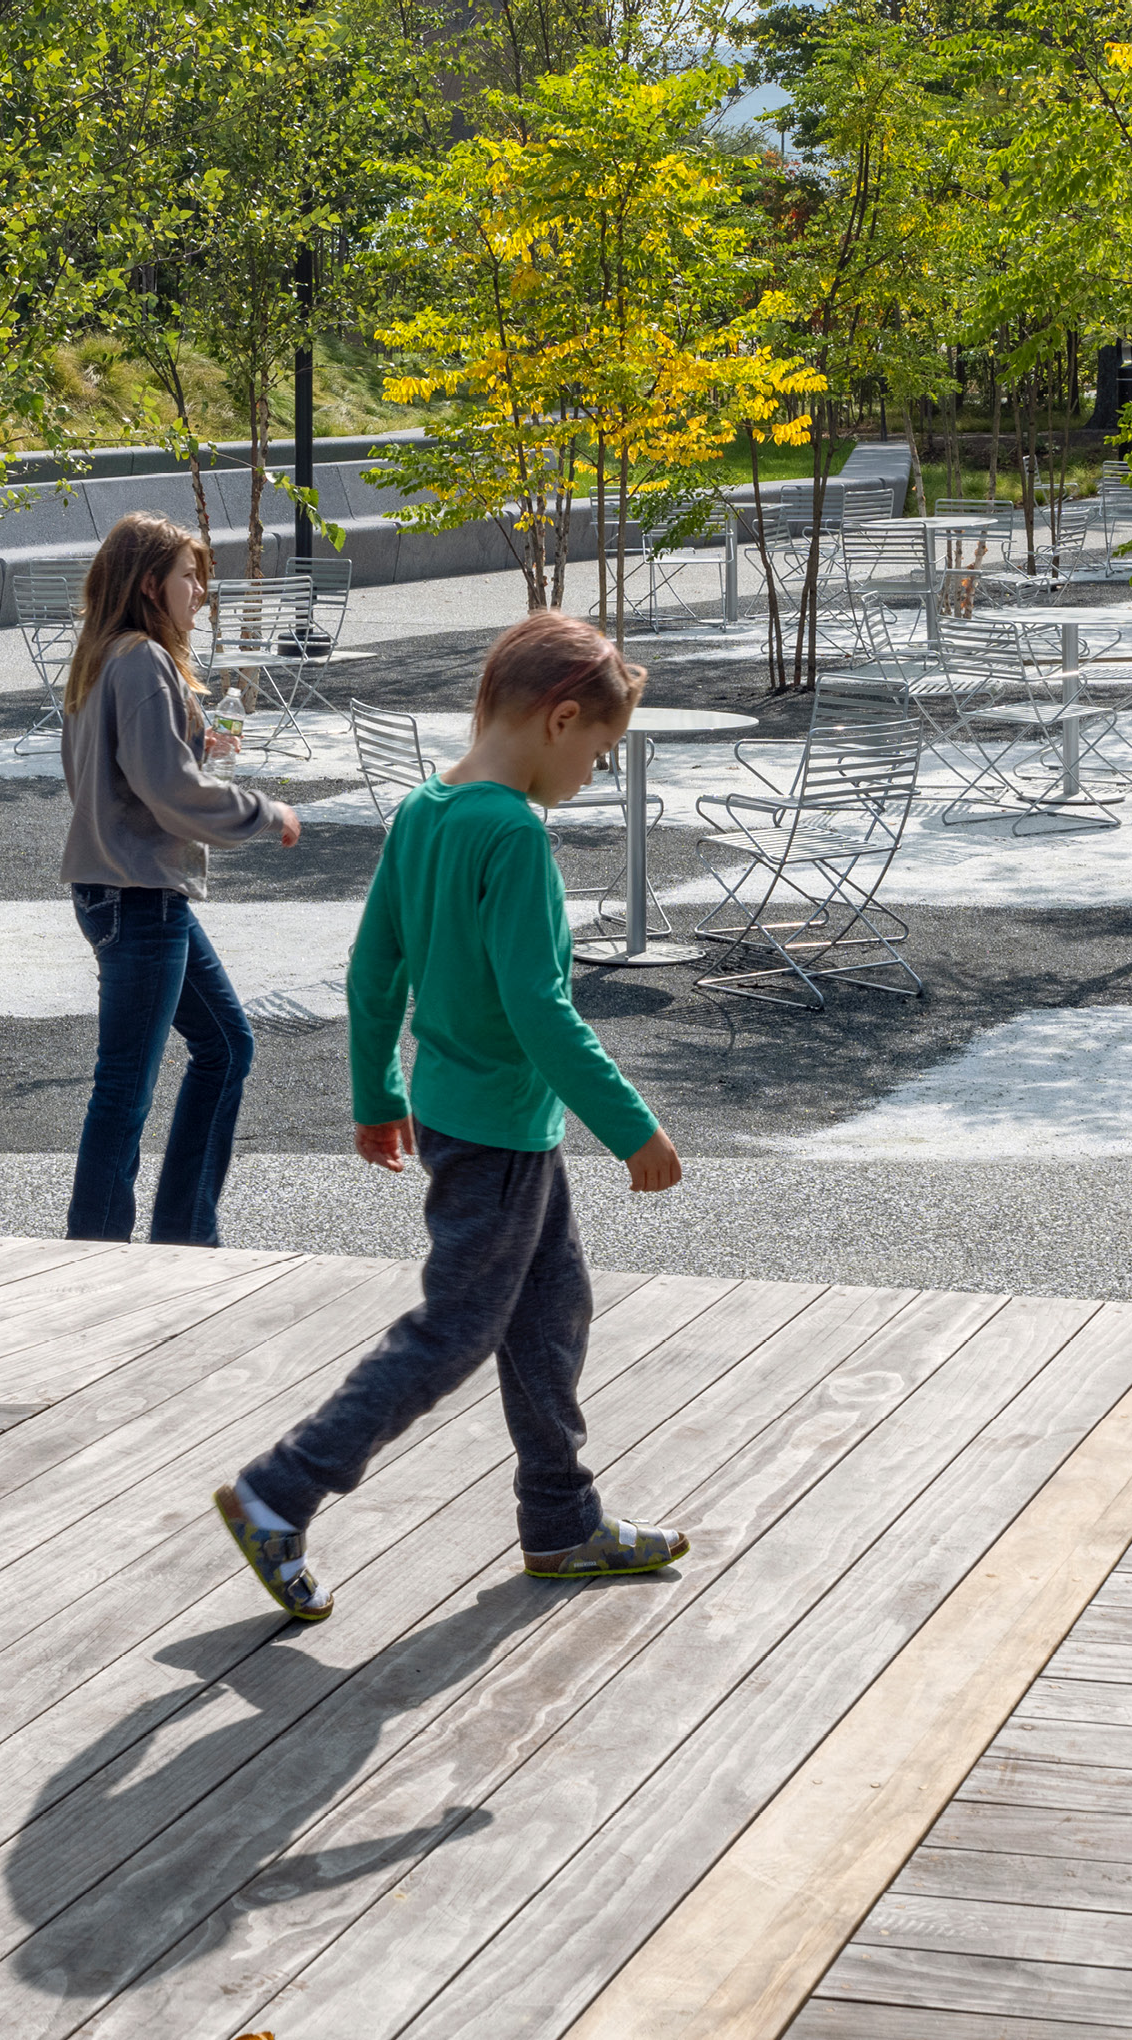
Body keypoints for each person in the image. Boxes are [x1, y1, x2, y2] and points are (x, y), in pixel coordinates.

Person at [214, 610, 691, 1623]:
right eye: (600, 755)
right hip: (502, 1134)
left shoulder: (428, 811)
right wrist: (632, 1126)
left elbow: (373, 966)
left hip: (465, 1118)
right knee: (455, 1330)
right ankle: (282, 1488)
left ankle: (563, 1521)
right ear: (562, 720)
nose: (594, 778)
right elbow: (540, 1005)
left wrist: (376, 1094)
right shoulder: (512, 834)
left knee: (549, 1311)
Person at [58, 513, 301, 1246]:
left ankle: (183, 1235)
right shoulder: (140, 661)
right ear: (147, 585)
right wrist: (265, 812)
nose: (201, 591)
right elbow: (167, 791)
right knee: (125, 1089)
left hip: (122, 892)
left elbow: (125, 766)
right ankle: (98, 1253)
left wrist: (193, 738)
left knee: (226, 1048)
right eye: (189, 577)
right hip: (139, 897)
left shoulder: (105, 656)